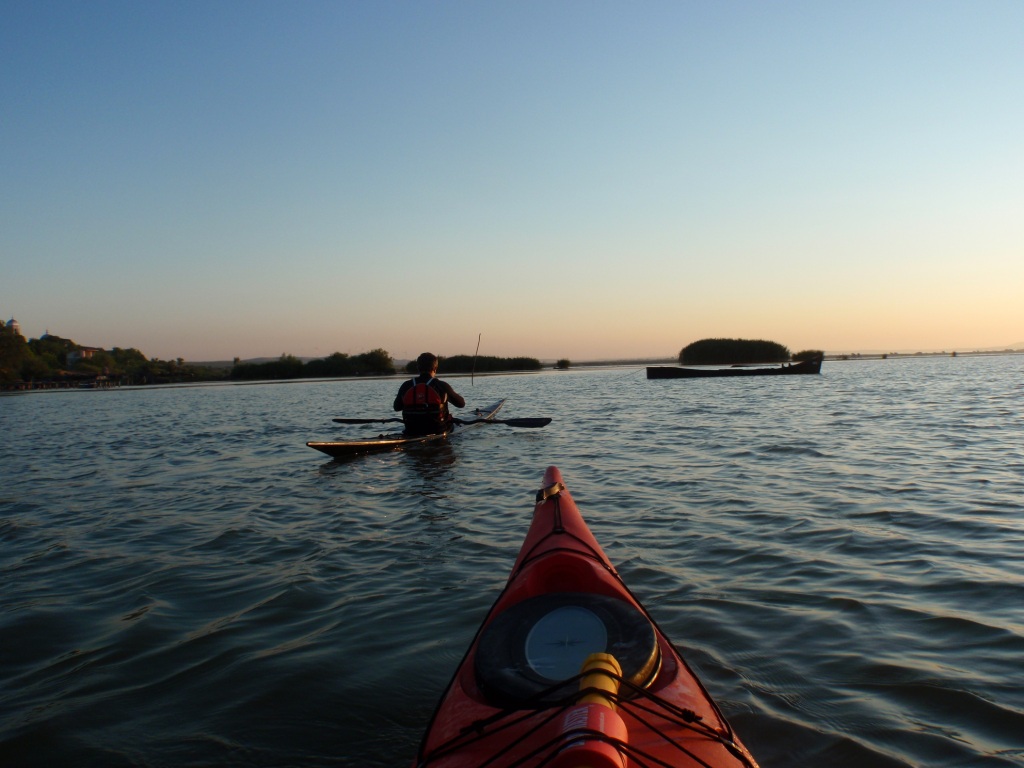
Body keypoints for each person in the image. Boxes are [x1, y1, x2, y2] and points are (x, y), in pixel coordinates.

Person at [393, 352, 466, 436]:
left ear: (418, 368)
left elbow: (397, 407)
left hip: (411, 431)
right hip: (439, 430)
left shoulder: (406, 385)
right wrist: (447, 396)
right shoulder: (441, 385)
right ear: (435, 369)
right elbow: (461, 404)